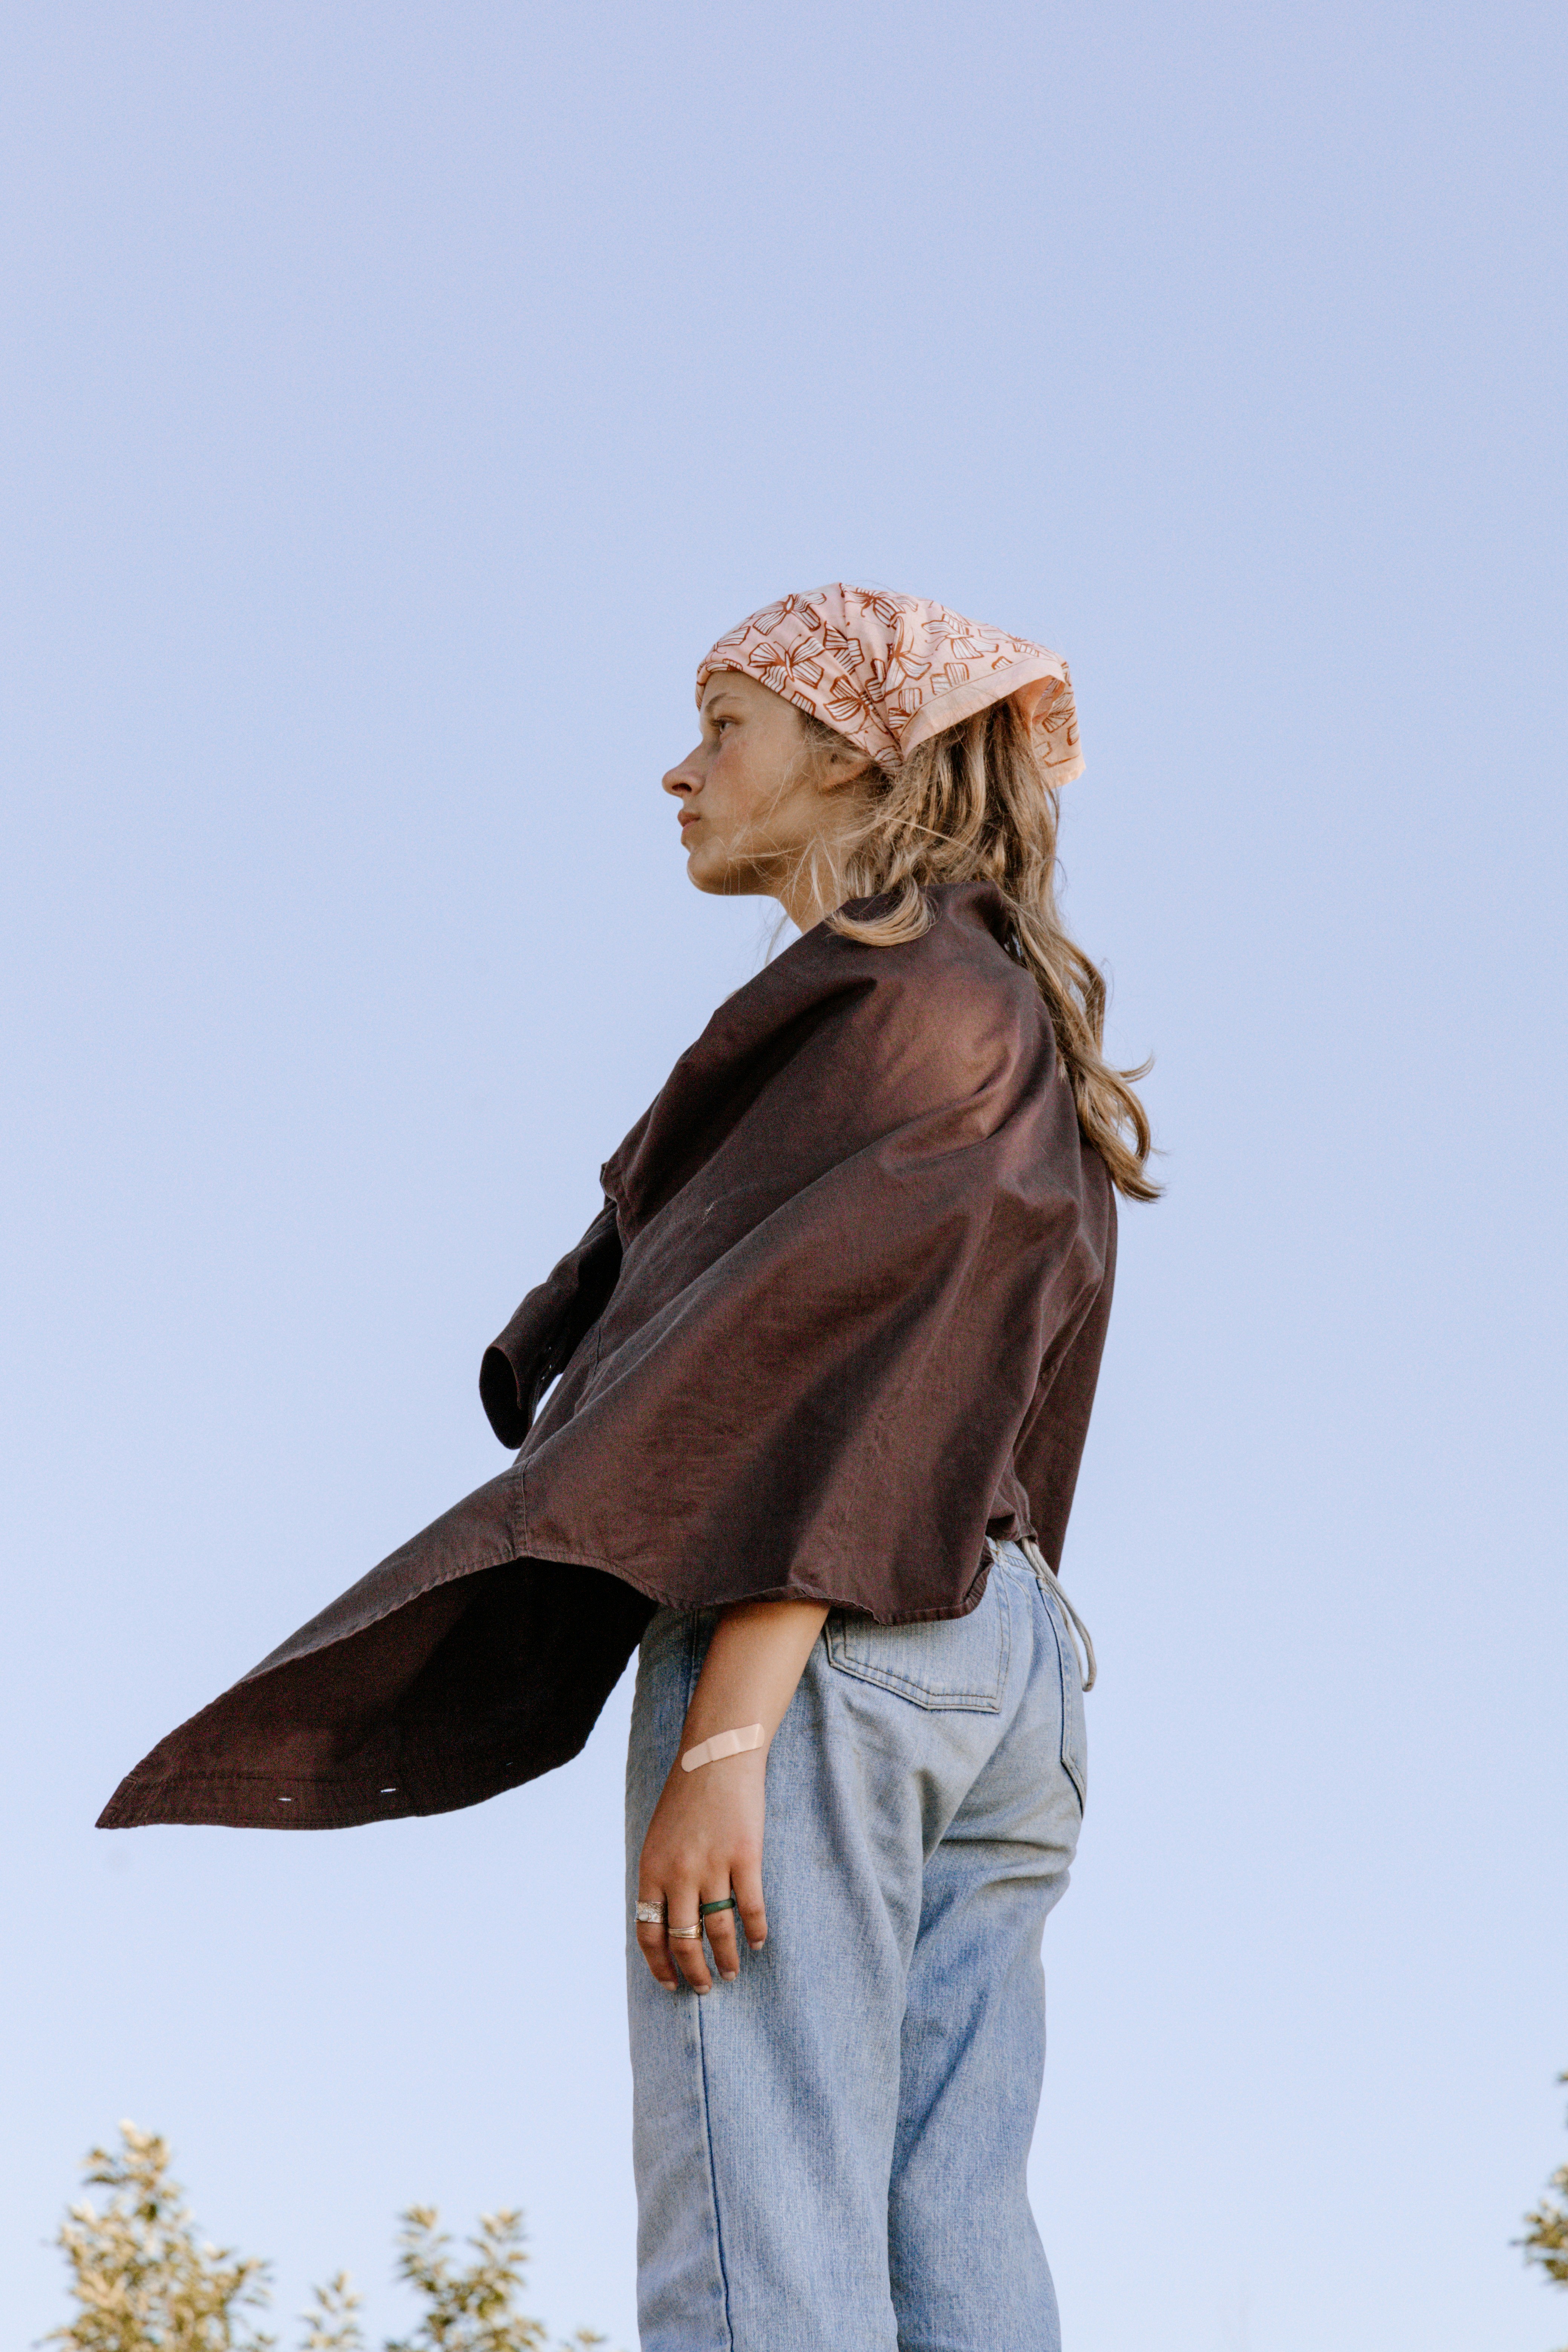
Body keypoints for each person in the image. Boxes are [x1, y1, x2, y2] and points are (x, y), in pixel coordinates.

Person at [100, 585, 1156, 2352]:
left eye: (724, 725)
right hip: (1010, 1658)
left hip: (829, 1638)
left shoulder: (900, 1009)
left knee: (758, 2223)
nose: (679, 771)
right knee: (949, 2231)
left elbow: (846, 1367)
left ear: (847, 755)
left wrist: (733, 1727)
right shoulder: (996, 1008)